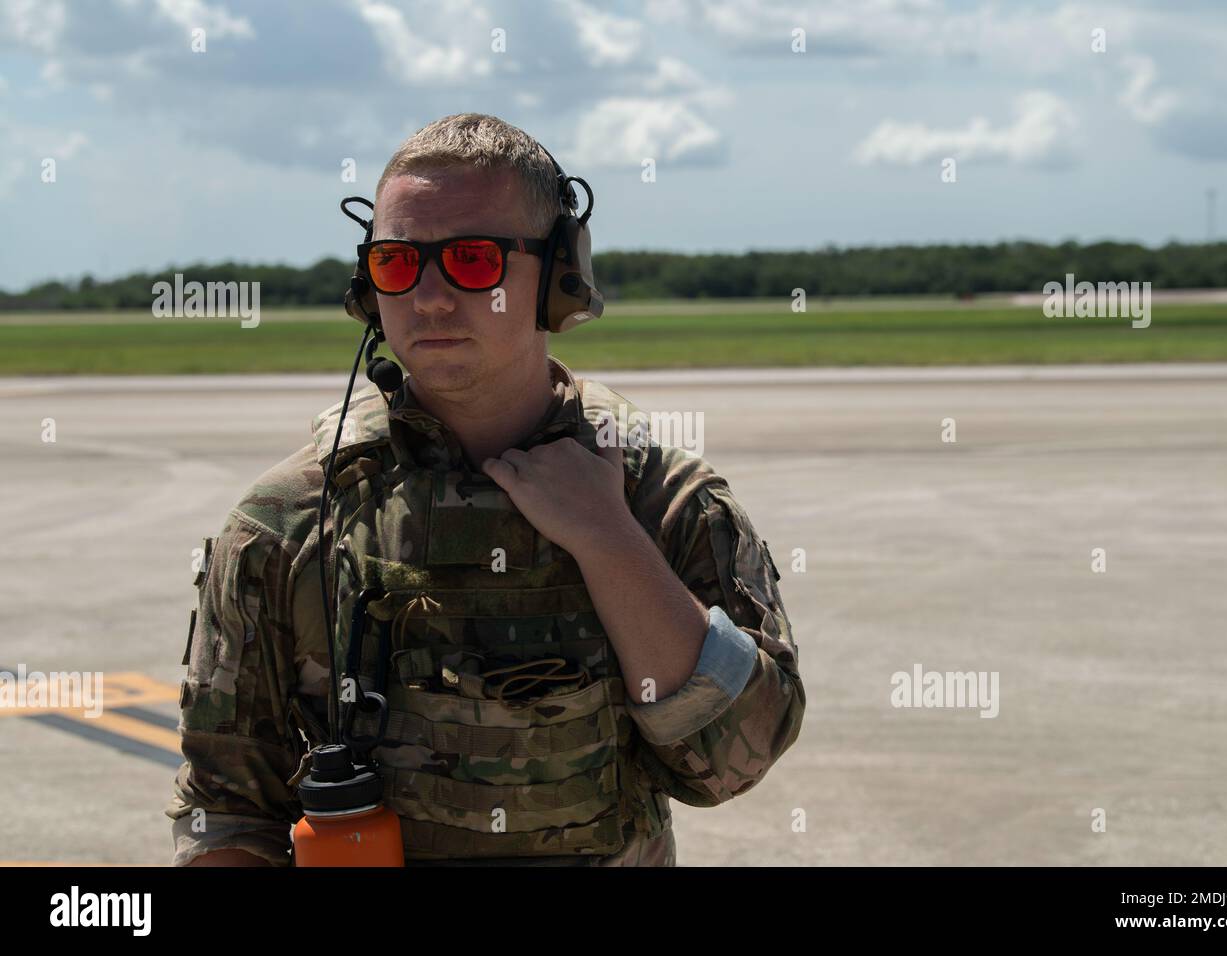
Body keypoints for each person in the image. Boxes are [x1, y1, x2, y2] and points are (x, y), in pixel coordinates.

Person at [166, 112, 804, 866]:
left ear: (561, 277)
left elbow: (737, 761)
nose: (429, 298)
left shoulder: (658, 500)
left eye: (473, 260)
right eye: (397, 263)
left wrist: (608, 540)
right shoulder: (293, 520)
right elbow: (227, 810)